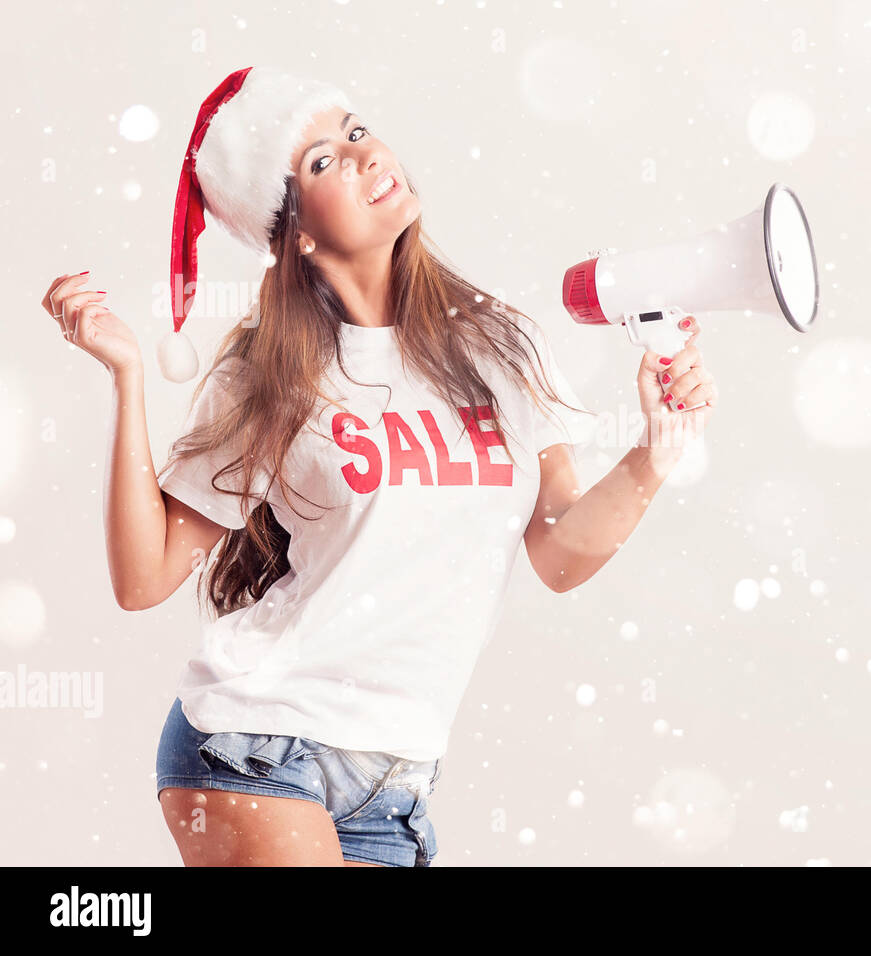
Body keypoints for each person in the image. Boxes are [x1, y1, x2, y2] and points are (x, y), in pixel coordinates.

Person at [38, 66, 717, 866]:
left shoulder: (501, 346)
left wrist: (653, 452)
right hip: (255, 746)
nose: (360, 156)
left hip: (397, 785)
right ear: (296, 233)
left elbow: (561, 555)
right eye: (321, 161)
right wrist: (126, 377)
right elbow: (142, 577)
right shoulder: (269, 373)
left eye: (356, 132)